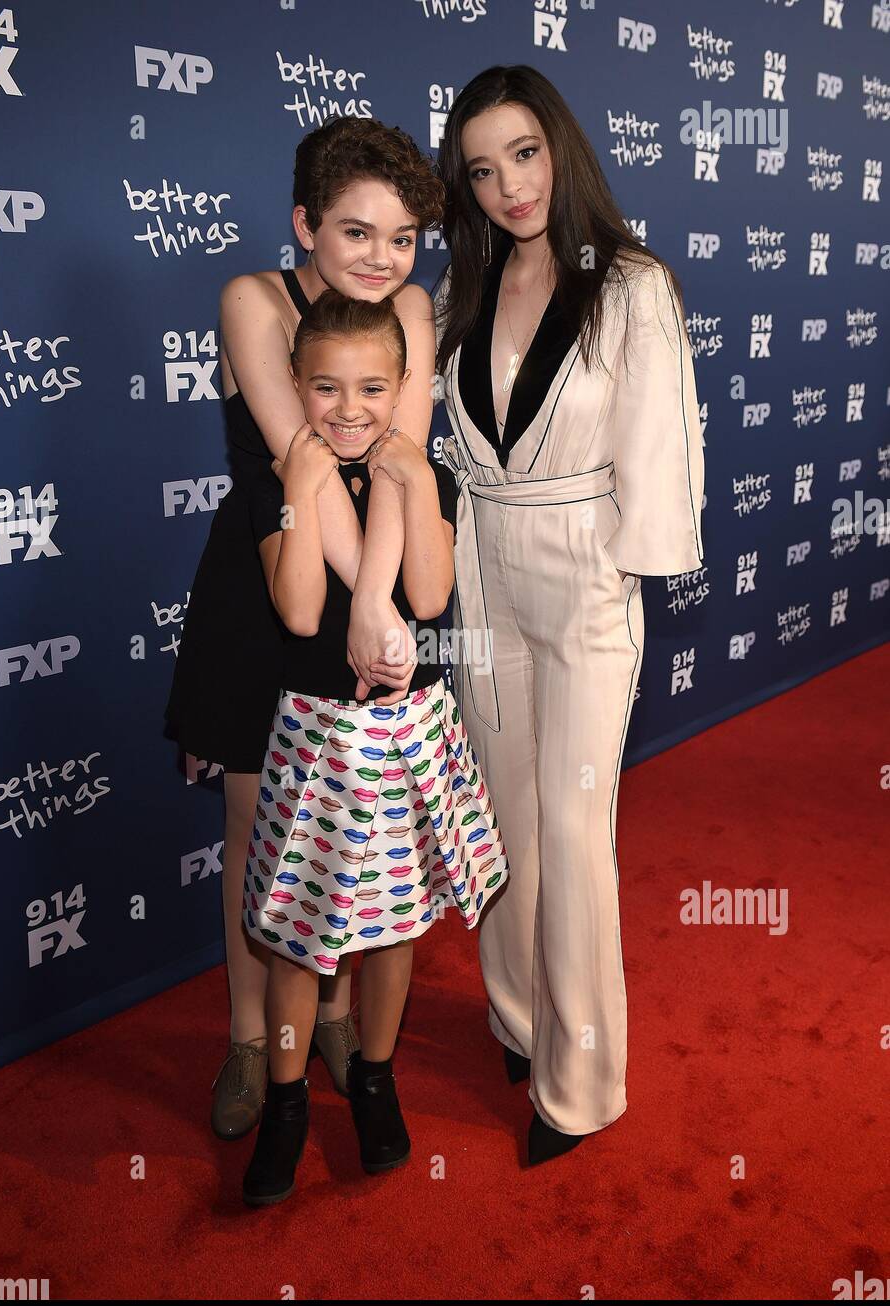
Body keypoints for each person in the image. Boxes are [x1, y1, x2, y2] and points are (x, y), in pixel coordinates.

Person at [433, 66, 705, 1165]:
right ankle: (516, 1015)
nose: (509, 187)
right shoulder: (465, 287)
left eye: (526, 155)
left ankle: (580, 1080)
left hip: (587, 574)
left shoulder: (631, 283)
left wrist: (631, 567)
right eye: (484, 169)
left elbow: (657, 437)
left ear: (563, 149)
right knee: (501, 822)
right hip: (485, 570)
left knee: (574, 836)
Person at [163, 118, 444, 1136]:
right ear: (303, 225)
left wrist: (374, 603)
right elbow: (307, 462)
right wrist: (373, 603)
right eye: (357, 231)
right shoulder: (253, 300)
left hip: (376, 587)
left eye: (404, 235)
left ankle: (328, 1015)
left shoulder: (414, 307)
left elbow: (402, 466)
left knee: (358, 832)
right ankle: (249, 1035)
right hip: (269, 587)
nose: (383, 258)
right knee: (260, 837)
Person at [239, 290, 508, 1205]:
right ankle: (284, 1105)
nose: (348, 410)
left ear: (403, 388)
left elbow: (429, 601)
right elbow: (302, 610)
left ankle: (374, 1077)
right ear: (294, 387)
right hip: (316, 745)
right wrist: (300, 493)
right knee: (299, 945)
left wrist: (418, 484)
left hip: (408, 733)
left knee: (396, 927)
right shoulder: (279, 481)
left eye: (370, 388)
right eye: (325, 388)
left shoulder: (413, 470)